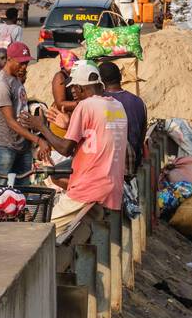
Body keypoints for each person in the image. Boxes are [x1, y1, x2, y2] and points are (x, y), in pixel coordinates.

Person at [25, 61, 129, 240]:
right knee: (84, 235)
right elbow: (95, 144)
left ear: (80, 87)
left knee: (43, 229)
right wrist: (67, 126)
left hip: (89, 187)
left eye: (73, 87)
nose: (72, 91)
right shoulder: (117, 107)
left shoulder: (85, 106)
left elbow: (65, 149)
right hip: (112, 188)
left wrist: (42, 127)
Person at [0, 42, 35, 183]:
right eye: (21, 63)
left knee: (23, 192)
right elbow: (11, 121)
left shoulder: (16, 79)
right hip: (4, 146)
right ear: (10, 59)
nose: (24, 67)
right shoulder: (1, 84)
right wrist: (37, 140)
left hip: (22, 145)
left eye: (26, 63)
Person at [99, 60, 147, 170]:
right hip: (134, 165)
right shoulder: (139, 102)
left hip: (110, 168)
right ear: (121, 77)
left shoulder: (100, 102)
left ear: (100, 81)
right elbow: (141, 138)